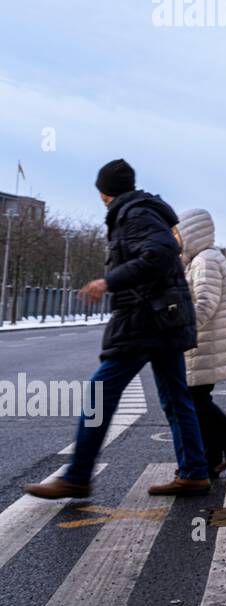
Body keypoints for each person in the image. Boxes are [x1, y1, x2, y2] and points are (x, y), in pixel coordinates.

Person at [24, 159, 211, 500]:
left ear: (103, 192)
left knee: (100, 392)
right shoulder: (143, 211)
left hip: (145, 321)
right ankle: (195, 472)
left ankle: (78, 475)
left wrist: (108, 281)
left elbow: (160, 254)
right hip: (162, 319)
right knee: (175, 397)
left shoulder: (134, 215)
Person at [175, 208, 226, 478]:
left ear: (190, 232)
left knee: (194, 402)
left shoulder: (204, 261)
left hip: (203, 345)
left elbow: (205, 305)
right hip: (205, 344)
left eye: (177, 232)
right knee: (198, 402)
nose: (175, 237)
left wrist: (179, 324)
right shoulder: (202, 258)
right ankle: (210, 460)